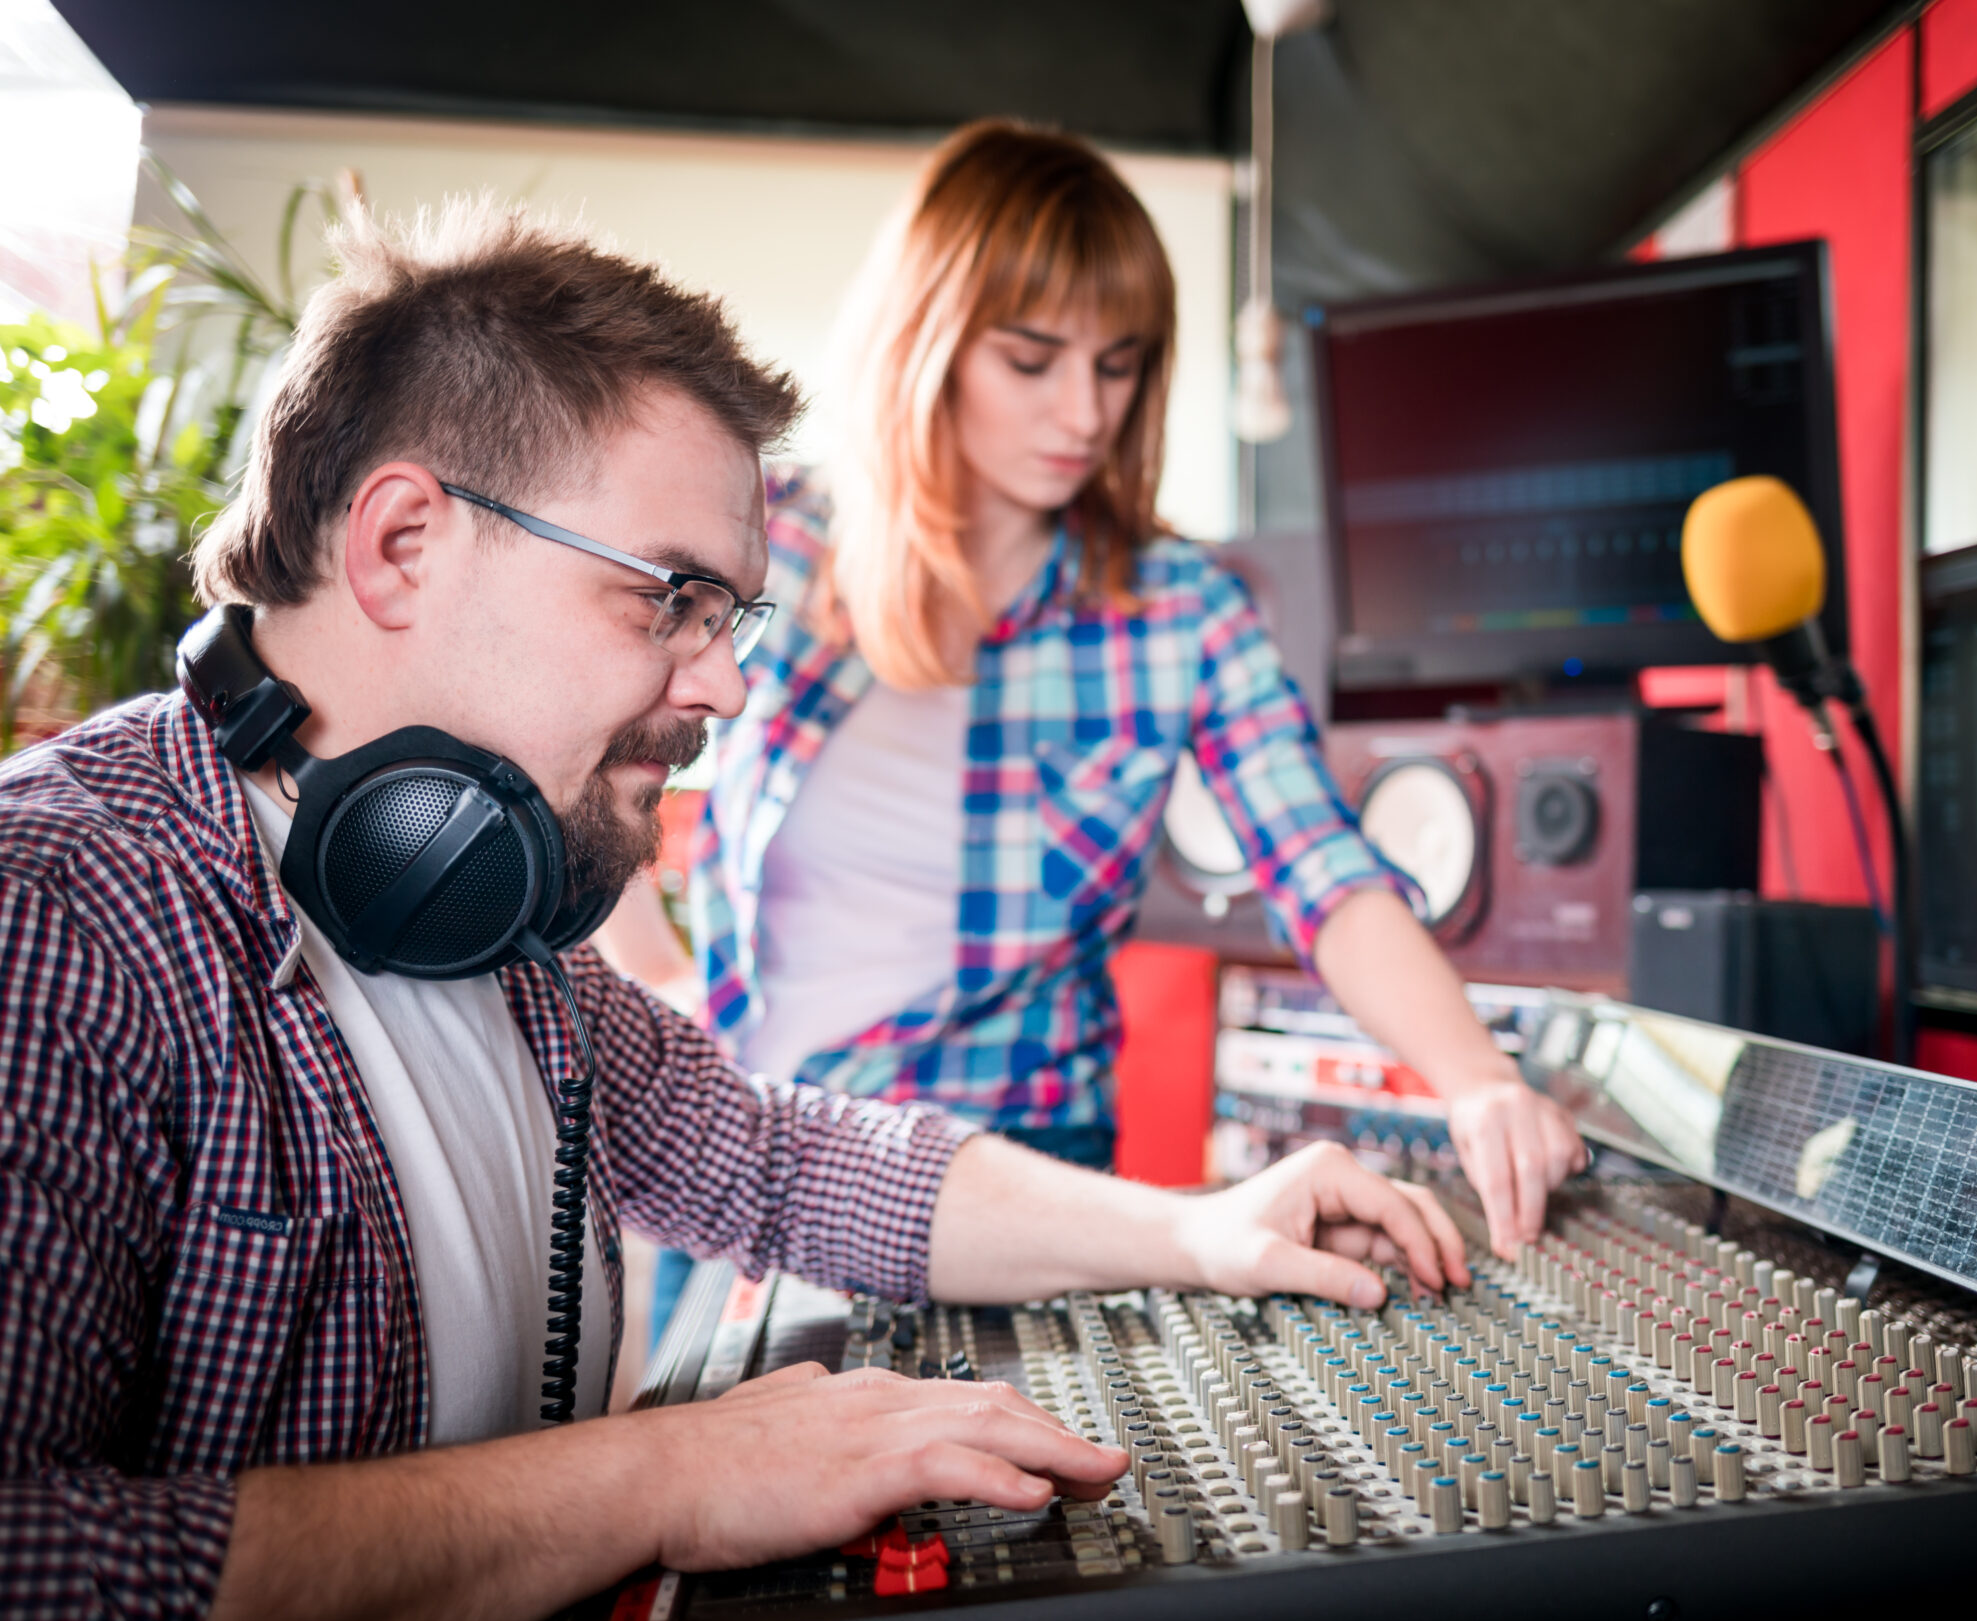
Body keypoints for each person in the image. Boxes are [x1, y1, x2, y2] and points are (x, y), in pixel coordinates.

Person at [0, 198, 1473, 1621]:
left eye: (733, 615)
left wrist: (1203, 1232)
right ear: (400, 543)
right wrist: (657, 1474)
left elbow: (776, 1157)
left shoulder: (496, 922)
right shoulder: (63, 912)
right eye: (669, 596)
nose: (721, 683)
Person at [601, 122, 1584, 1297]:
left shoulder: (1184, 610)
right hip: (750, 1162)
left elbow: (1324, 870)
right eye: (1031, 360)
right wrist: (655, 983)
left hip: (1027, 1188)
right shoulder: (777, 537)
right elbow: (598, 745)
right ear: (932, 340)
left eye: (1116, 364)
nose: (1083, 411)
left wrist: (1476, 1078)